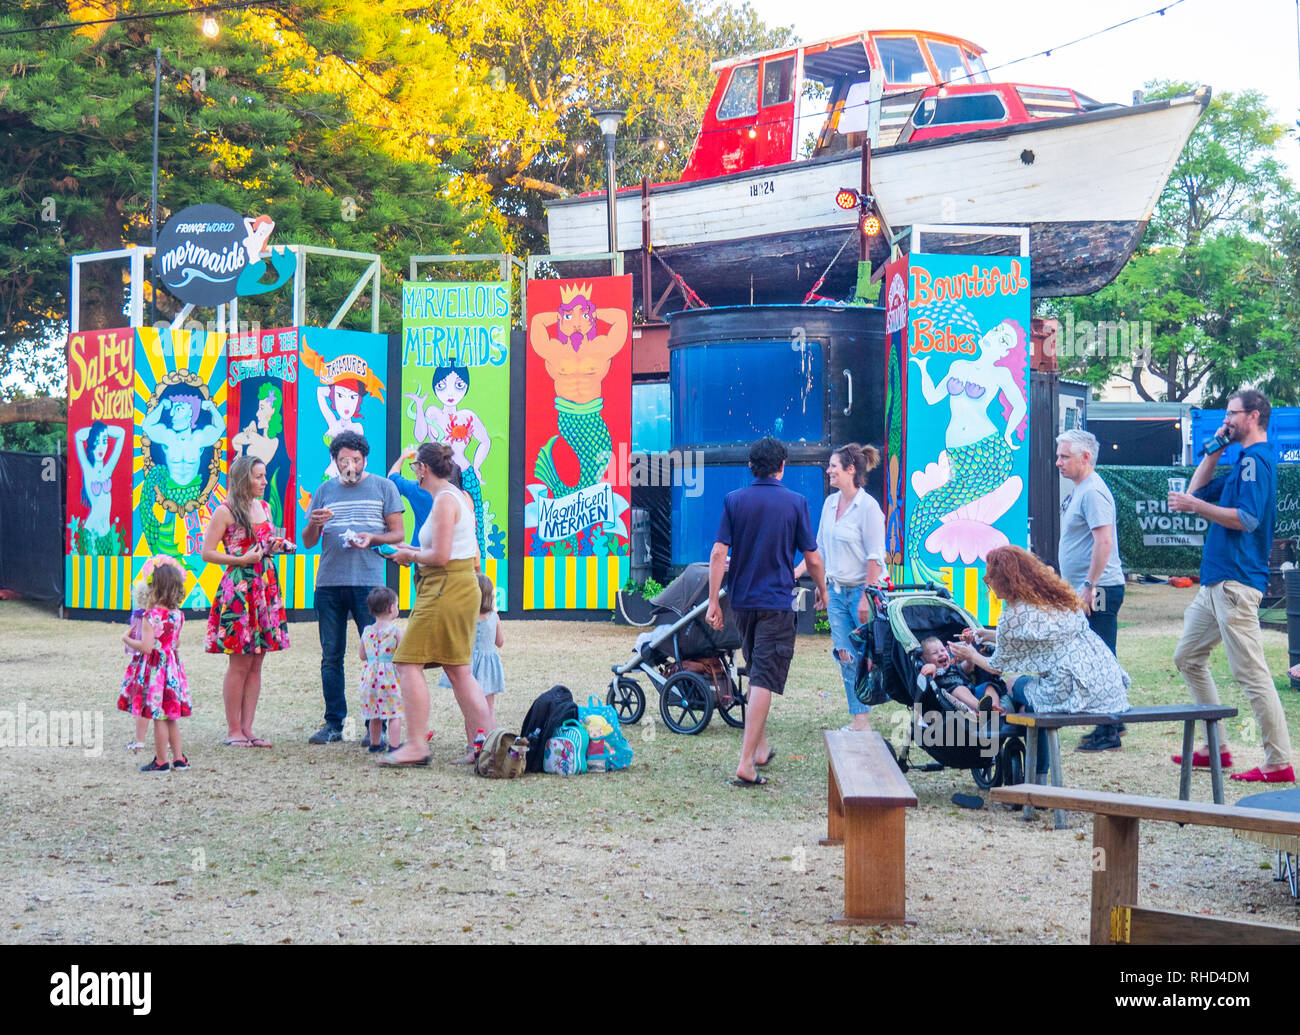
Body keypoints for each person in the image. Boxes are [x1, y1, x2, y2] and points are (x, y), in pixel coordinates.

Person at [1169, 390, 1295, 783]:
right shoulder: (1241, 460)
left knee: (1252, 675)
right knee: (1187, 657)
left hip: (1235, 583)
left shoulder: (1257, 461)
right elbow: (1192, 493)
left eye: (1231, 414)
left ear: (1254, 416)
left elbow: (1247, 518)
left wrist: (1198, 508)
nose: (1226, 419)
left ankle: (1279, 762)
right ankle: (1216, 747)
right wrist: (1213, 448)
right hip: (1215, 583)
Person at [707, 436, 828, 787]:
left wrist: (714, 601)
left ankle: (759, 748)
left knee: (757, 669)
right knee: (763, 678)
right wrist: (821, 590)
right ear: (782, 466)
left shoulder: (734, 501)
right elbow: (813, 558)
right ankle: (746, 762)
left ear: (750, 467)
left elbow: (718, 554)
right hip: (776, 603)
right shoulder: (796, 503)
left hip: (742, 602)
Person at [382, 442, 492, 766]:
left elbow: (441, 556)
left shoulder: (444, 501)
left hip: (445, 587)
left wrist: (409, 554)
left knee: (407, 662)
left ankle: (416, 745)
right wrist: (408, 550)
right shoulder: (453, 497)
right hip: (454, 585)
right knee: (459, 670)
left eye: (415, 468)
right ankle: (483, 745)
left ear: (423, 469)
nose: (414, 474)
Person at [301, 431, 405, 744]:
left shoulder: (383, 487)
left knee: (378, 655)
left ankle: (378, 728)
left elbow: (398, 533)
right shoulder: (323, 491)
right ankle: (334, 724)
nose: (350, 465)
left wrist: (372, 538)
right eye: (344, 460)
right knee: (331, 656)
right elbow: (307, 541)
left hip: (369, 584)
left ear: (365, 459)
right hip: (329, 583)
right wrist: (315, 523)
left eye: (356, 460)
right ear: (334, 461)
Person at [946, 546, 1129, 719]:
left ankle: (999, 718)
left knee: (1012, 684)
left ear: (1004, 580)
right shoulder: (1057, 597)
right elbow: (1041, 637)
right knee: (1028, 707)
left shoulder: (1014, 615)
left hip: (1076, 690)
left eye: (989, 578)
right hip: (1108, 683)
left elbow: (996, 667)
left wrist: (971, 654)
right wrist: (988, 635)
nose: (988, 583)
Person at [202, 455, 293, 747]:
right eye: (258, 476)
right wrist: (241, 558)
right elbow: (208, 553)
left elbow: (262, 544)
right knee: (240, 662)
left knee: (257, 661)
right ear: (244, 479)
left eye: (265, 476)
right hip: (240, 589)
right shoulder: (225, 510)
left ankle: (248, 729)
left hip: (265, 587)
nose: (265, 482)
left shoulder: (264, 507)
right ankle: (233, 731)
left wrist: (276, 546)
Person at [795, 443, 885, 732]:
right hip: (834, 592)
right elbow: (818, 549)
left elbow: (876, 558)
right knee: (845, 654)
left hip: (862, 593)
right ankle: (860, 720)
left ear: (850, 470)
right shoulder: (830, 503)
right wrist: (795, 574)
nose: (828, 470)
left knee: (869, 657)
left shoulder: (868, 508)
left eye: (833, 466)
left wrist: (863, 598)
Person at [1055, 428, 1128, 752]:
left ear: (1086, 457)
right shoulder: (1081, 489)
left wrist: (1089, 585)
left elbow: (1104, 541)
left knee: (1100, 656)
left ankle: (1108, 728)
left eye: (1064, 456)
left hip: (1099, 588)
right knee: (1093, 654)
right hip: (1088, 588)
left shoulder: (1093, 492)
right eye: (1058, 455)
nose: (1058, 462)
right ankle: (1111, 720)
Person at [406, 365, 491, 560]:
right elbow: (420, 434)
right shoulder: (433, 412)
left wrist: (476, 467)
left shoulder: (468, 415)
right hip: (440, 476)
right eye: (443, 386)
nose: (450, 393)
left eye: (459, 385)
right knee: (436, 518)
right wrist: (419, 406)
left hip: (466, 474)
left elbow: (485, 440)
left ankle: (477, 565)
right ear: (435, 388)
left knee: (472, 519)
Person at [119, 562, 192, 773]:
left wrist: (126, 639)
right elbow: (176, 643)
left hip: (156, 671)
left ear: (155, 588)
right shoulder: (179, 615)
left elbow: (146, 647)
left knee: (158, 716)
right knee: (171, 716)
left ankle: (161, 761)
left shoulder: (151, 616)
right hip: (172, 669)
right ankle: (179, 759)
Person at [439, 574, 505, 729]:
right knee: (489, 709)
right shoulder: (494, 616)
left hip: (467, 667)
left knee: (470, 710)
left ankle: (472, 746)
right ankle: (491, 744)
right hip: (488, 668)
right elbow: (500, 642)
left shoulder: (465, 617)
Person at [358, 586, 404, 754]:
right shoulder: (396, 631)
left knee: (374, 714)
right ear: (391, 607)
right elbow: (403, 653)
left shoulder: (367, 631)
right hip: (389, 679)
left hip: (370, 678)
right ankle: (394, 747)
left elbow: (362, 655)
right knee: (394, 713)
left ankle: (375, 744)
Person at [72, 420, 126, 551]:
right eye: (96, 442)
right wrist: (95, 431)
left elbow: (121, 433)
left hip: (106, 531)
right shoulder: (88, 469)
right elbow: (78, 436)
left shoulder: (108, 470)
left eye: (104, 441)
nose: (101, 447)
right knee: (88, 570)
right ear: (91, 444)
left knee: (112, 570)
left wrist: (103, 430)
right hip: (91, 530)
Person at [918, 636, 1002, 715]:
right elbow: (924, 673)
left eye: (943, 650)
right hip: (953, 700)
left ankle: (994, 707)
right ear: (926, 660)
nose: (941, 654)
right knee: (959, 689)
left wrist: (968, 648)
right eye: (934, 653)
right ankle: (981, 709)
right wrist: (930, 666)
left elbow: (969, 665)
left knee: (988, 686)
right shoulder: (933, 672)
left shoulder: (955, 667)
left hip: (972, 693)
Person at [387, 444, 432, 547]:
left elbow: (392, 478)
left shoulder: (416, 489)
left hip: (420, 552)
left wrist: (402, 457)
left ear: (423, 468)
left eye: (414, 466)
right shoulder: (451, 490)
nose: (414, 471)